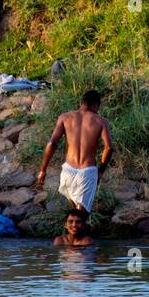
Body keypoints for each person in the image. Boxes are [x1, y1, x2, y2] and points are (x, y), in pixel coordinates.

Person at [34, 89, 114, 221]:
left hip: (68, 170)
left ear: (81, 102)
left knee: (74, 215)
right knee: (81, 217)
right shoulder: (100, 121)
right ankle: (80, 240)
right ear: (96, 105)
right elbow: (109, 148)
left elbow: (51, 143)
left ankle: (71, 240)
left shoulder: (64, 117)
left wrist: (43, 170)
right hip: (87, 170)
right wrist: (101, 171)